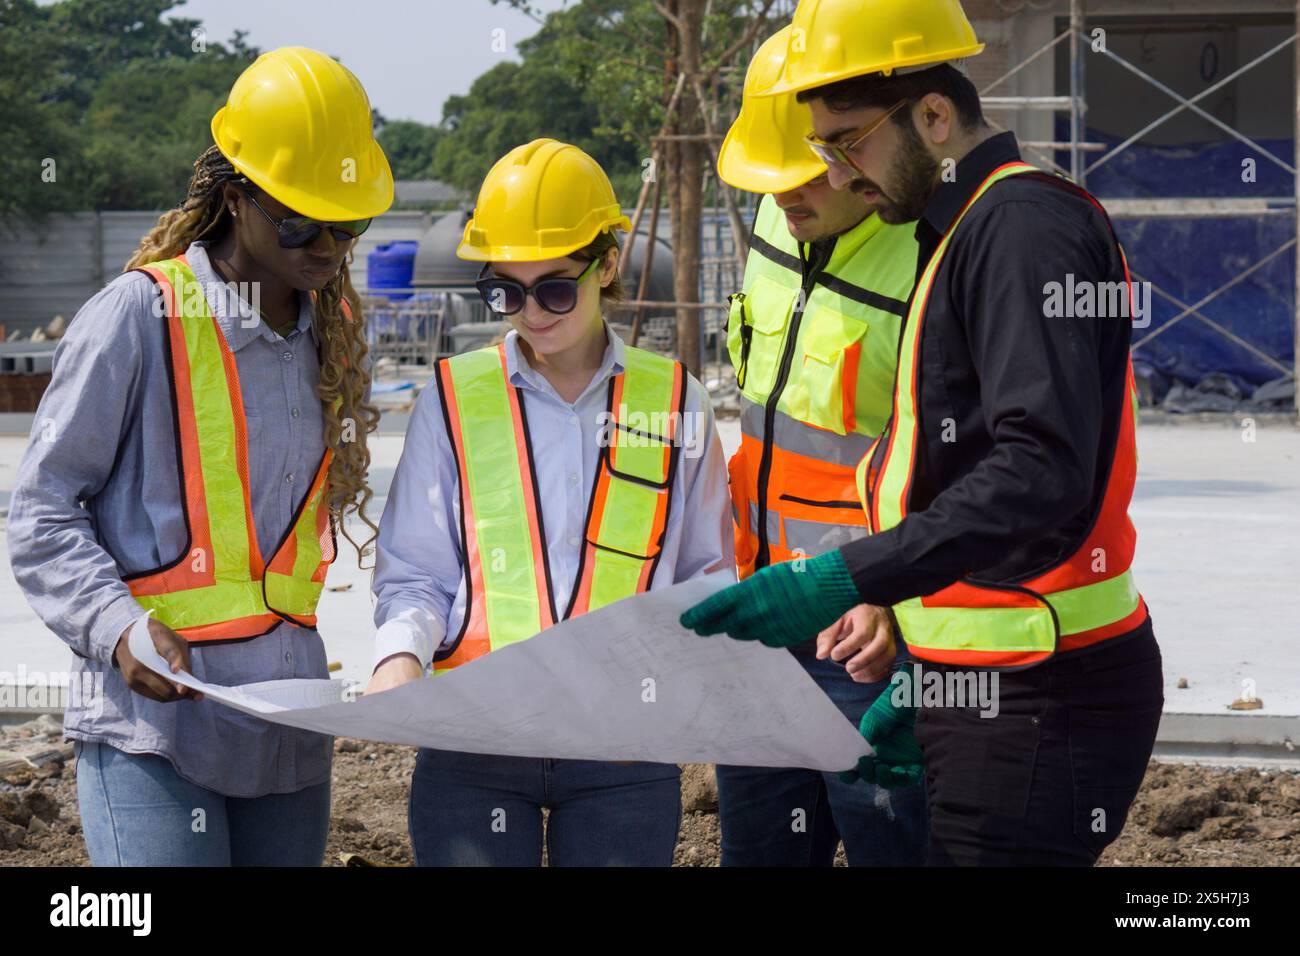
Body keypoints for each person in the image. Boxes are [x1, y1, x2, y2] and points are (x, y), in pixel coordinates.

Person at [683, 0, 1163, 866]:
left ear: (934, 116)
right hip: (990, 672)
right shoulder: (966, 231)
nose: (839, 170)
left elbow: (1037, 473)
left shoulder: (1020, 231)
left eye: (848, 142)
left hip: (1044, 689)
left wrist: (845, 576)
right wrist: (931, 656)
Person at [6, 47, 393, 866]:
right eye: (300, 221)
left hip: (287, 731)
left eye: (347, 222)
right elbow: (40, 510)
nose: (327, 246)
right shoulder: (136, 318)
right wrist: (115, 628)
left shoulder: (331, 336)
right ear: (234, 200)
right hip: (155, 727)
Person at [366, 138, 733, 867]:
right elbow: (415, 571)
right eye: (505, 290)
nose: (529, 313)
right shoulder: (453, 397)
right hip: (475, 744)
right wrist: (398, 658)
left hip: (622, 754)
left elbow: (706, 579)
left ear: (609, 266)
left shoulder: (673, 400)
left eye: (555, 289)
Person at [711, 26, 927, 867]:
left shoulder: (932, 257)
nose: (783, 199)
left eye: (802, 175)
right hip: (762, 622)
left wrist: (902, 604)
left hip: (866, 637)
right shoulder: (778, 213)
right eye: (770, 181)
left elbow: (975, 467)